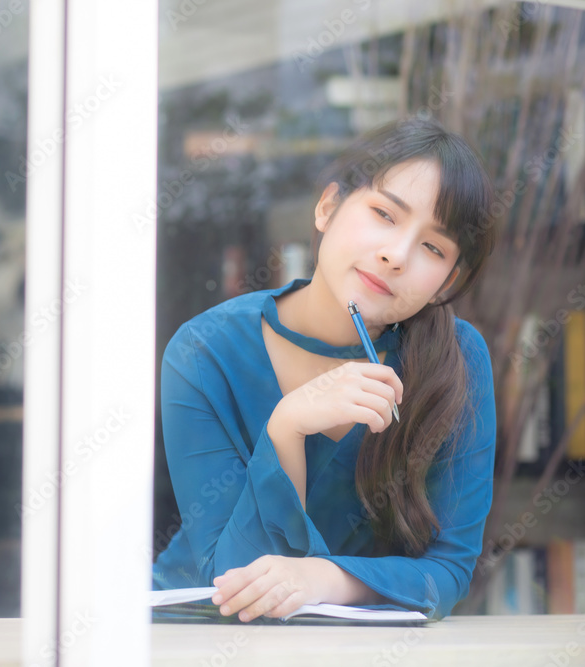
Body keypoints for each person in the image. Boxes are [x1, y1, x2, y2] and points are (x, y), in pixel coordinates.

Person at [151, 116, 498, 622]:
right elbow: (229, 580)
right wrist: (286, 428)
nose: (395, 255)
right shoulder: (206, 350)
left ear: (448, 280)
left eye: (433, 247)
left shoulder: (457, 361)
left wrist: (324, 580)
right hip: (192, 632)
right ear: (327, 207)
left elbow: (448, 572)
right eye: (384, 214)